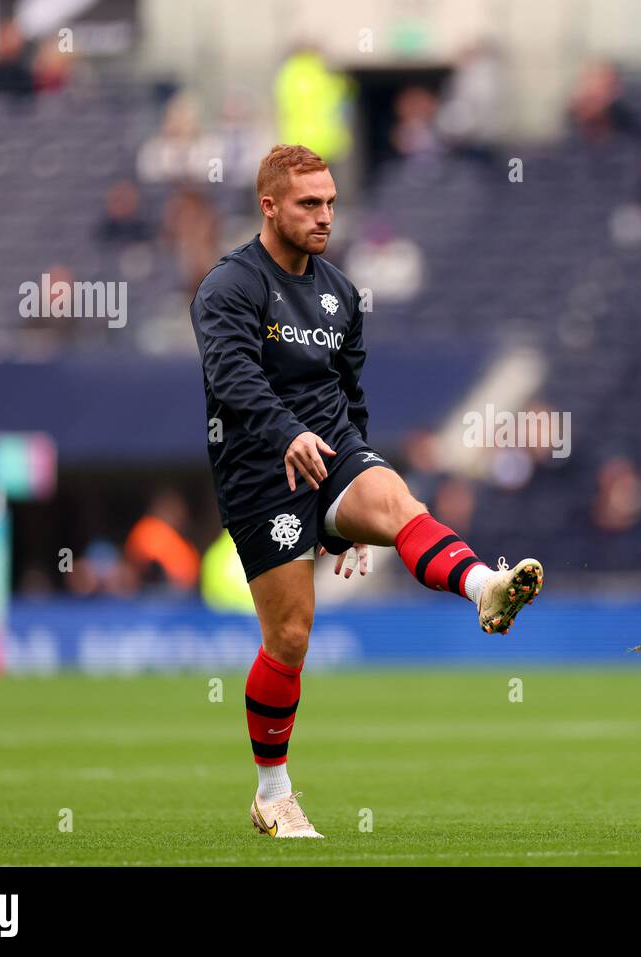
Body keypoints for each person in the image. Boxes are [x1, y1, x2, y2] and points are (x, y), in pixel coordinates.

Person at [189, 144, 544, 840]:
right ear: (269, 207)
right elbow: (231, 376)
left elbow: (350, 399)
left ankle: (483, 586)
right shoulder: (228, 286)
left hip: (332, 452)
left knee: (399, 501)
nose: (325, 216)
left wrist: (343, 515)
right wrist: (284, 432)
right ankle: (272, 793)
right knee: (289, 638)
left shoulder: (342, 294)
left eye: (330, 202)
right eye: (309, 204)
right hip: (260, 469)